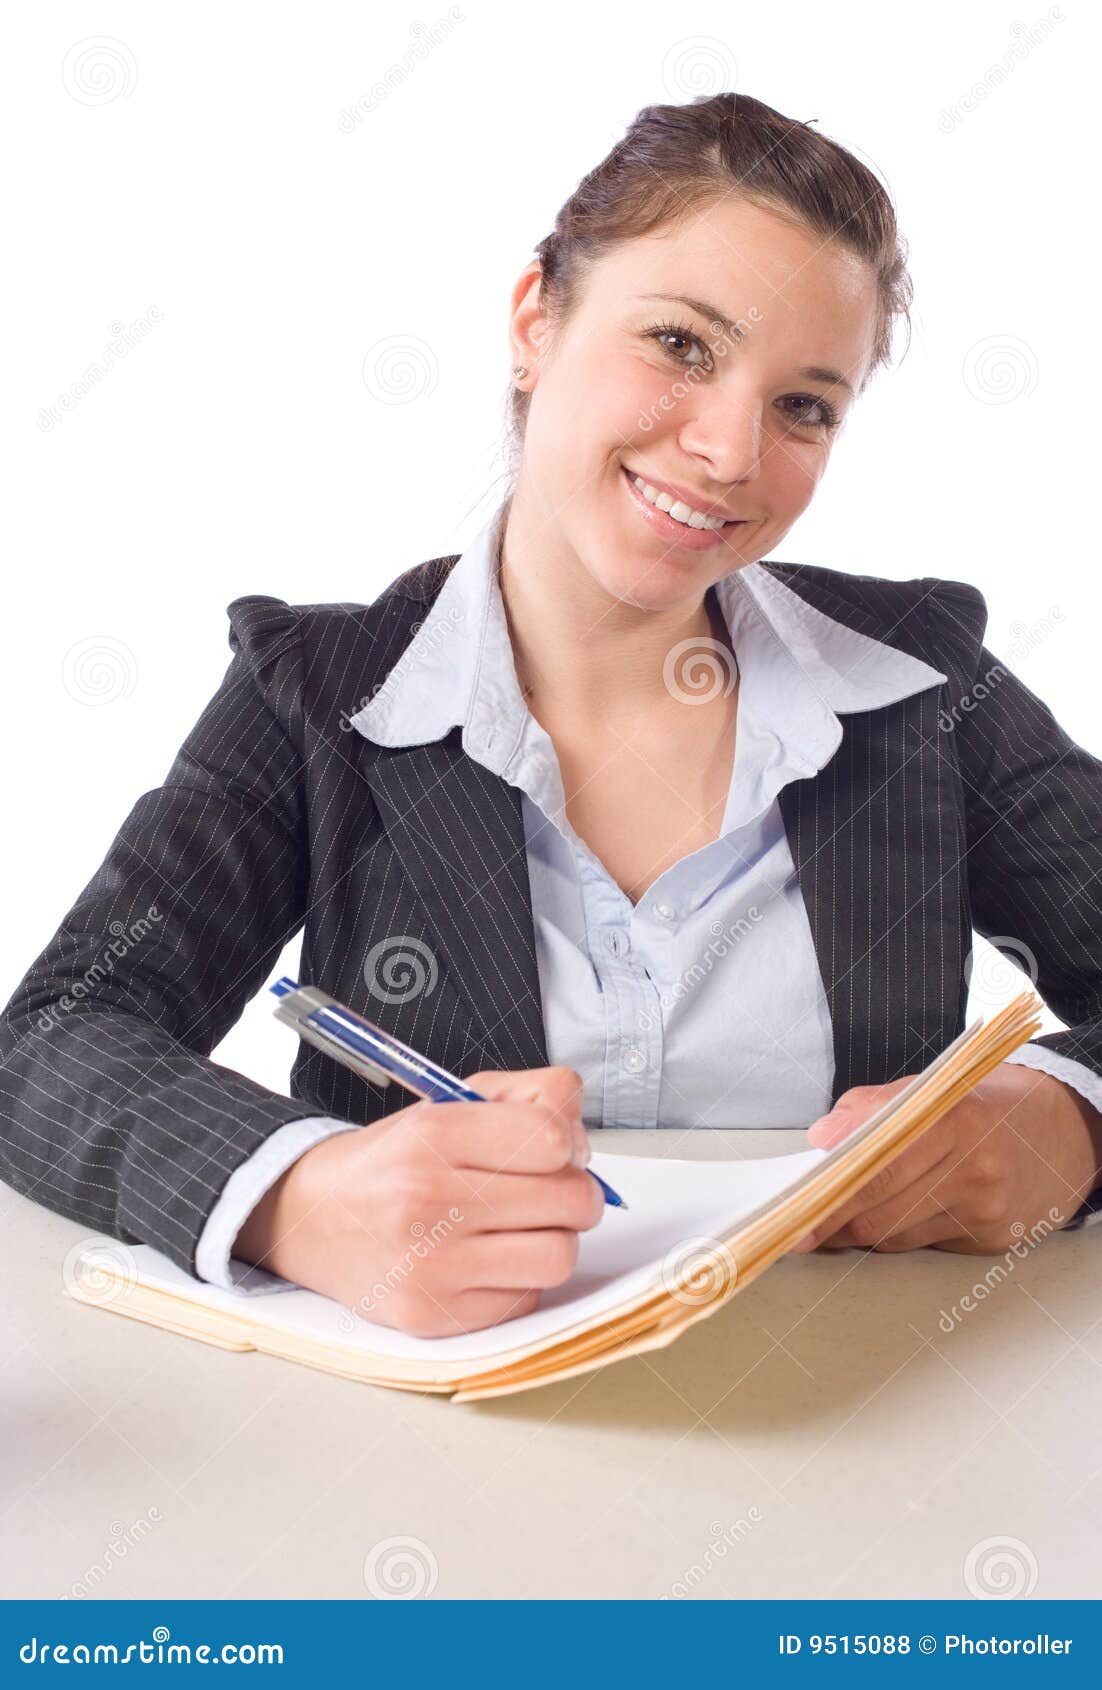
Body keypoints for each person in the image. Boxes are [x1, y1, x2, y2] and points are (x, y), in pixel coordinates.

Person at [2, 92, 1100, 1342]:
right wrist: (297, 1196)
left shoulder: (921, 687)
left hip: (868, 1401)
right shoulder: (316, 693)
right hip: (433, 1421)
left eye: (803, 405)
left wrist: (1068, 1121)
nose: (729, 450)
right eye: (682, 344)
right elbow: (55, 1037)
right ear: (536, 321)